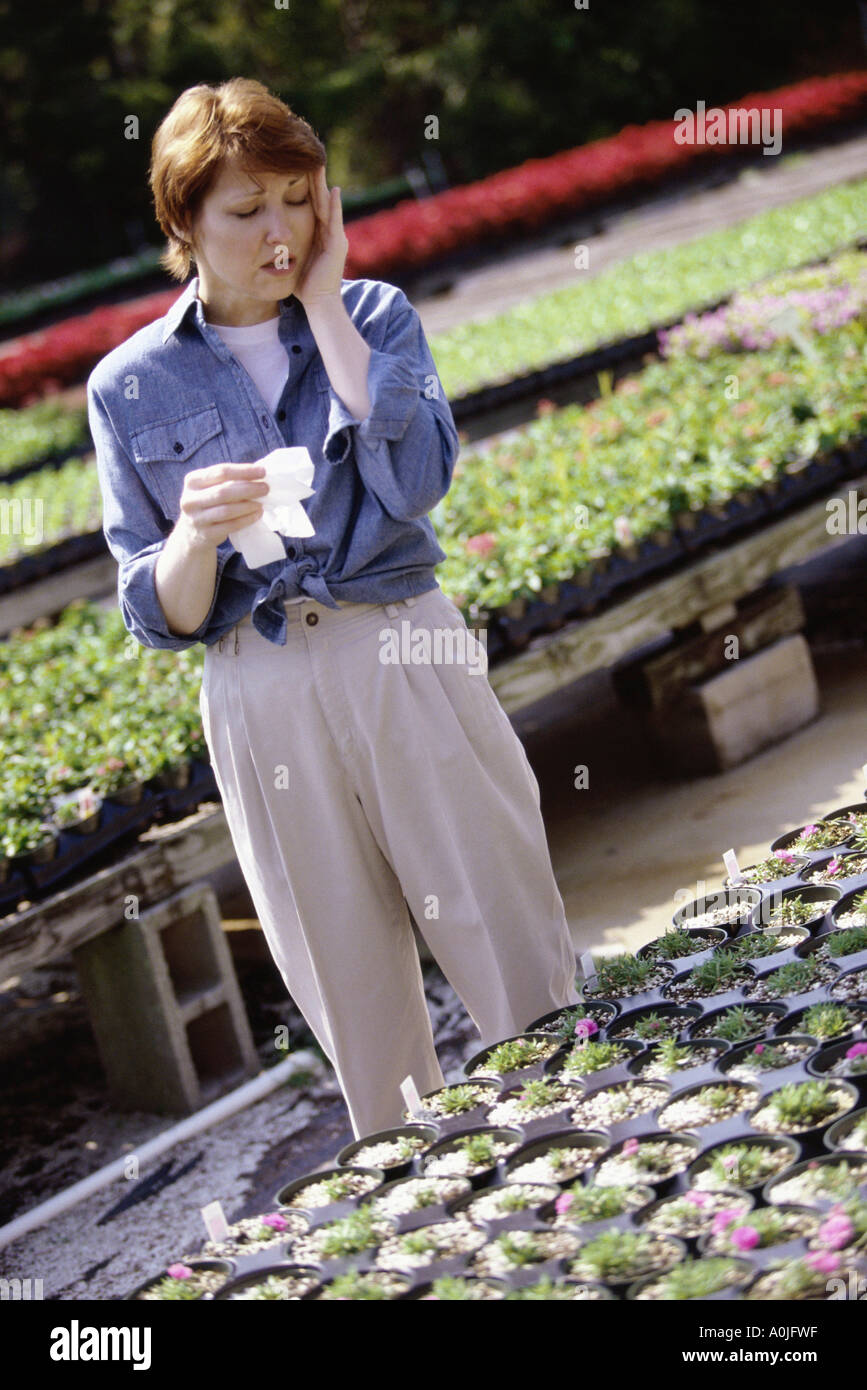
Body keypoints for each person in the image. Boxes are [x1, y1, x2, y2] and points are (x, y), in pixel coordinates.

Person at [87, 76, 579, 1139]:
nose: (283, 230)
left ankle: (576, 1146)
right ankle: (424, 1210)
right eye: (247, 208)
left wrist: (322, 302)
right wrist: (192, 536)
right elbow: (158, 613)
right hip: (260, 686)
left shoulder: (373, 314)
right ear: (184, 222)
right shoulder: (128, 386)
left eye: (298, 197)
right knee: (350, 983)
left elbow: (416, 480)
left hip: (396, 643)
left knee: (505, 927)